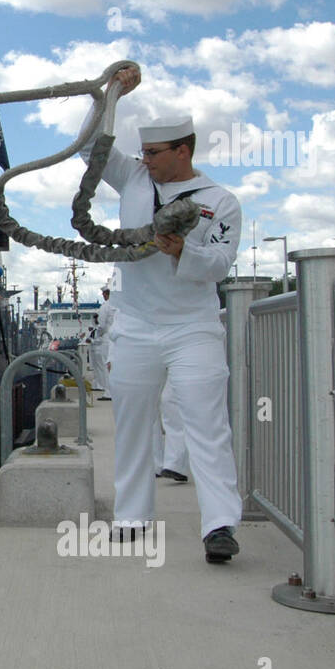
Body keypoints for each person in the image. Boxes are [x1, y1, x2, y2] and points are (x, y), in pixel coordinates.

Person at [81, 64, 242, 563]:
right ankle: (133, 517)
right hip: (135, 325)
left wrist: (180, 253)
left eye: (153, 153)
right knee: (132, 423)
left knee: (205, 424)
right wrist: (109, 97)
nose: (144, 160)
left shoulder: (221, 202)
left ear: (183, 151)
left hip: (193, 327)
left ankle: (219, 525)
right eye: (143, 152)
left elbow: (218, 265)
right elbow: (88, 148)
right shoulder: (132, 177)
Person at [90, 286, 115, 399]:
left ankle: (108, 392)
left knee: (106, 366)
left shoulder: (105, 307)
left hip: (107, 338)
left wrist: (97, 335)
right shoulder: (118, 305)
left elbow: (102, 325)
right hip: (118, 339)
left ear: (106, 294)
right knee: (115, 366)